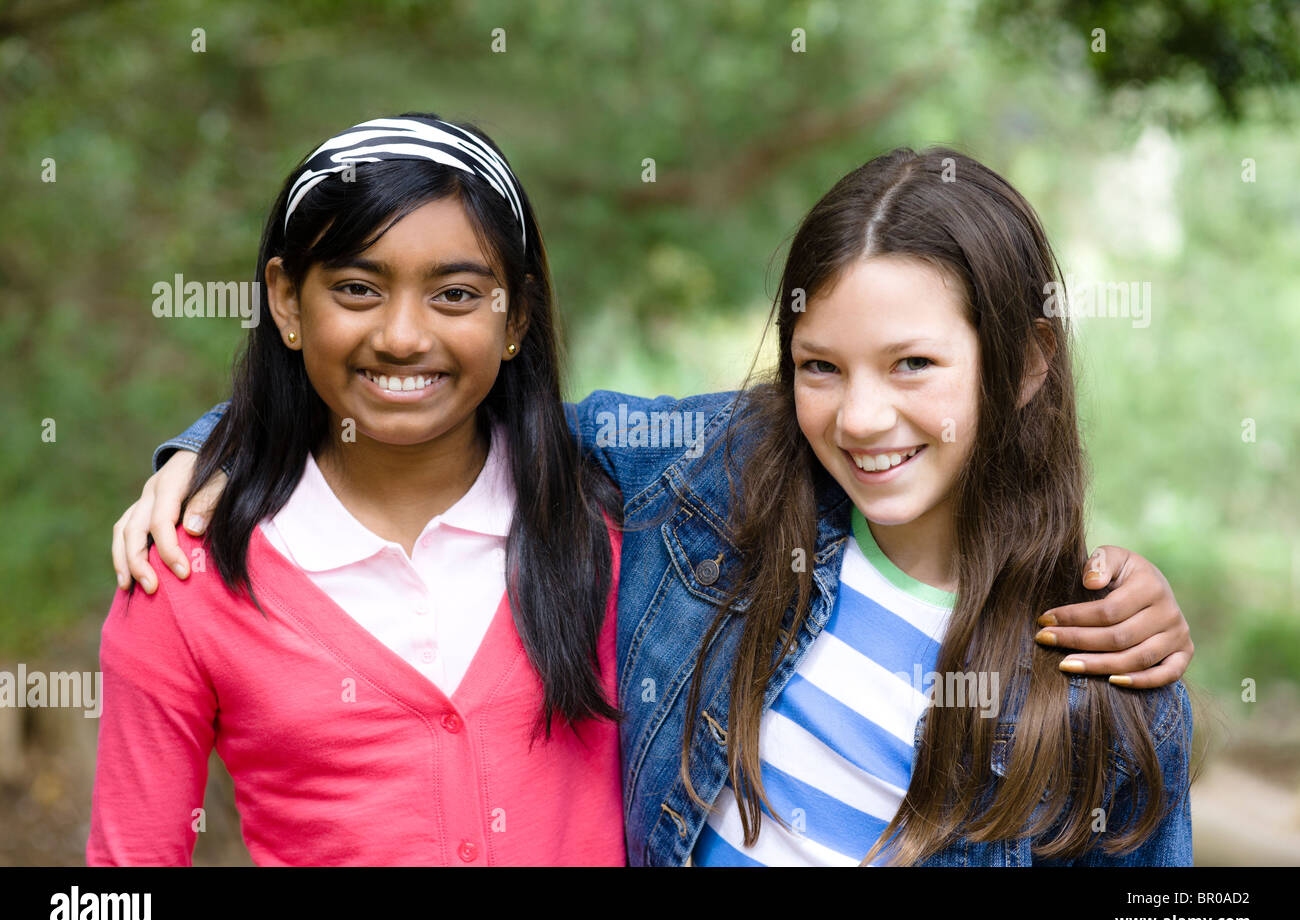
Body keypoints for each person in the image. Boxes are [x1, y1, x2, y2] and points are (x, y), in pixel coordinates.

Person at [113, 145, 1195, 866]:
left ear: (1024, 362)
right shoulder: (718, 483)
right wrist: (219, 443)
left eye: (913, 363)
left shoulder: (1105, 680)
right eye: (818, 366)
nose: (863, 417)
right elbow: (447, 401)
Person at [89, 114, 626, 865]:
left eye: (456, 295)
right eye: (356, 289)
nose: (403, 336)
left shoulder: (621, 524)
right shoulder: (182, 575)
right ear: (286, 301)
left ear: (518, 317)